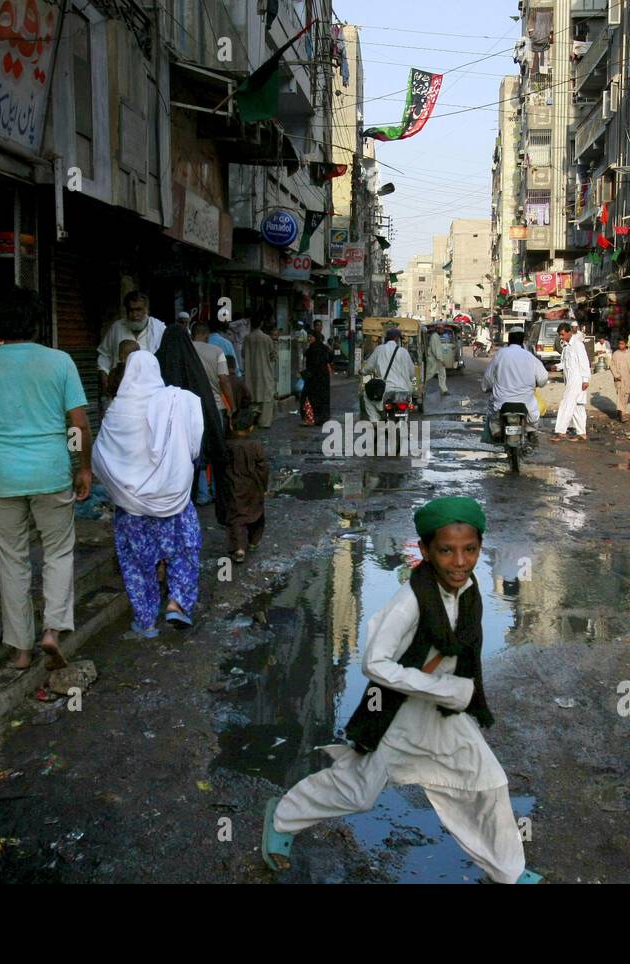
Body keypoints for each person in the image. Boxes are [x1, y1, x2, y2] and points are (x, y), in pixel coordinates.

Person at [260, 496, 542, 884]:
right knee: (359, 793)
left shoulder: (469, 587)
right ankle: (282, 818)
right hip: (400, 716)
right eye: (446, 551)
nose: (460, 562)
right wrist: (441, 687)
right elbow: (374, 662)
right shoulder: (410, 599)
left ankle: (508, 871)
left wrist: (450, 692)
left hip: (444, 716)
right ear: (425, 550)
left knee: (487, 782)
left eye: (470, 550)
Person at [0, 289, 92, 672]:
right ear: (37, 323)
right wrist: (82, 467)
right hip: (51, 471)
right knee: (58, 551)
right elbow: (78, 423)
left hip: (3, 473)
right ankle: (53, 629)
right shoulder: (59, 362)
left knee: (12, 560)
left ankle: (20, 649)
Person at [91, 352, 204, 634]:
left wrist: (123, 486)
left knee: (137, 564)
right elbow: (194, 447)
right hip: (173, 498)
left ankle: (146, 621)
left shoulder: (116, 410)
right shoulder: (178, 401)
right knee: (184, 552)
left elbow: (100, 456)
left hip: (131, 507)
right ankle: (177, 603)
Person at [158, 324, 229, 515]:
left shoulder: (157, 363)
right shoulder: (193, 367)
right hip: (188, 440)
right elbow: (206, 404)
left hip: (161, 442)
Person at [97, 291, 164, 408]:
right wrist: (105, 383)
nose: (134, 315)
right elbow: (104, 356)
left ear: (146, 310)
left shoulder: (159, 329)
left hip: (148, 395)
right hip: (118, 394)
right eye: (131, 310)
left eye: (138, 310)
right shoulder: (117, 328)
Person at [224, 390, 269, 564]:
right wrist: (263, 486)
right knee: (257, 515)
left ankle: (239, 548)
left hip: (234, 487)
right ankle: (253, 542)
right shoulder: (255, 446)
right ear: (251, 428)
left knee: (237, 519)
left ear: (231, 426)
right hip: (253, 487)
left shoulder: (228, 446)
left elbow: (222, 466)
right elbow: (263, 467)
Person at [482, 327, 548, 442]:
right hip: (526, 402)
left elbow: (488, 376)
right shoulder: (529, 356)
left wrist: (485, 387)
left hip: (502, 401)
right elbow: (543, 378)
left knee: (492, 411)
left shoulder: (500, 354)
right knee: (533, 418)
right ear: (522, 341)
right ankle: (531, 432)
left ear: (509, 340)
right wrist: (537, 384)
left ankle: (497, 431)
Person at [360, 327, 415, 423]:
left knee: (366, 395)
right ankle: (403, 421)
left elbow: (368, 368)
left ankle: (375, 421)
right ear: (396, 339)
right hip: (403, 390)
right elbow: (412, 373)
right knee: (406, 404)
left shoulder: (379, 350)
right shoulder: (404, 352)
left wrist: (362, 372)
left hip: (386, 390)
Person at [551, 322, 591, 443]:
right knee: (578, 406)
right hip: (570, 380)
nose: (561, 337)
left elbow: (584, 363)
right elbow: (565, 363)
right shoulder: (566, 347)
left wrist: (585, 380)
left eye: (562, 334)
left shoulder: (578, 345)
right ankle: (582, 433)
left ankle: (560, 431)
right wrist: (557, 367)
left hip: (577, 380)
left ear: (569, 332)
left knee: (566, 404)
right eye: (560, 335)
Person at [191, 321, 234, 423]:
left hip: (192, 405)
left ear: (192, 335)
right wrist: (232, 405)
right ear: (207, 336)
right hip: (214, 404)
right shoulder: (218, 351)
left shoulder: (185, 350)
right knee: (216, 437)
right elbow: (224, 380)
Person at [243, 314, 279, 429]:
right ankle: (264, 422)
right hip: (265, 372)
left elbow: (243, 354)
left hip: (251, 373)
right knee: (267, 398)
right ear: (261, 324)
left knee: (253, 396)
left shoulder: (247, 338)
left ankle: (253, 420)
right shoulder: (267, 338)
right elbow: (273, 355)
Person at [301, 327, 332, 425]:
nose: (309, 338)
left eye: (311, 336)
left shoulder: (313, 349)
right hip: (322, 378)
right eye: (308, 336)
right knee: (321, 399)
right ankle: (320, 418)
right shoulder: (323, 348)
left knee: (310, 398)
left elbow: (314, 364)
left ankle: (312, 418)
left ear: (315, 337)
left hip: (314, 379)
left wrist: (304, 374)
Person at [610, 337, 630, 422]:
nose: (620, 345)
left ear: (626, 344)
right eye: (619, 344)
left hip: (628, 378)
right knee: (620, 395)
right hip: (619, 378)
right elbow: (612, 365)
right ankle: (622, 414)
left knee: (625, 396)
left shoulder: (629, 354)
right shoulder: (615, 354)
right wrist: (616, 375)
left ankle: (620, 412)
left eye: (622, 344)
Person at [424, 325, 450, 396]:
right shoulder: (435, 337)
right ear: (438, 329)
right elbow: (436, 350)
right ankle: (421, 386)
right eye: (442, 329)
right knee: (429, 374)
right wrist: (441, 360)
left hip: (437, 359)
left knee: (442, 374)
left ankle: (444, 390)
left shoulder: (436, 336)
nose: (443, 331)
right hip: (434, 360)